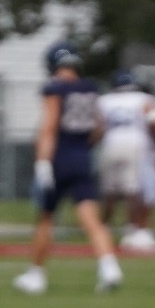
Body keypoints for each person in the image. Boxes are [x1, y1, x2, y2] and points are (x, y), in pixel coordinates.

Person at [14, 43, 123, 295]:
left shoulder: (55, 88)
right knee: (91, 218)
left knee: (46, 217)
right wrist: (84, 148)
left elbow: (49, 127)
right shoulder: (91, 87)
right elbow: (99, 126)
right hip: (82, 156)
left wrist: (43, 162)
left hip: (60, 157)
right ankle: (109, 266)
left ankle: (36, 275)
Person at [97, 67, 155, 251]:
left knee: (109, 191)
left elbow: (98, 125)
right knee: (135, 191)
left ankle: (103, 228)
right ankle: (132, 230)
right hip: (137, 144)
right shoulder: (144, 99)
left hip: (110, 143)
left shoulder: (104, 100)